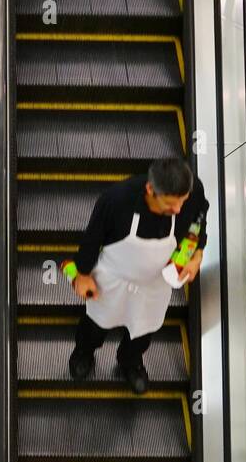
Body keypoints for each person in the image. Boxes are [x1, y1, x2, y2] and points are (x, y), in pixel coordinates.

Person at [67, 156, 208, 395]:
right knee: (95, 324)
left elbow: (198, 222)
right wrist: (82, 274)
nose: (178, 210)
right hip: (112, 279)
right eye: (170, 204)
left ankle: (130, 363)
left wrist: (197, 255)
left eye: (182, 202)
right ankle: (84, 353)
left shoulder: (192, 193)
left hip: (154, 284)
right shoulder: (116, 200)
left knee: (143, 330)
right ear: (150, 189)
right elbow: (92, 239)